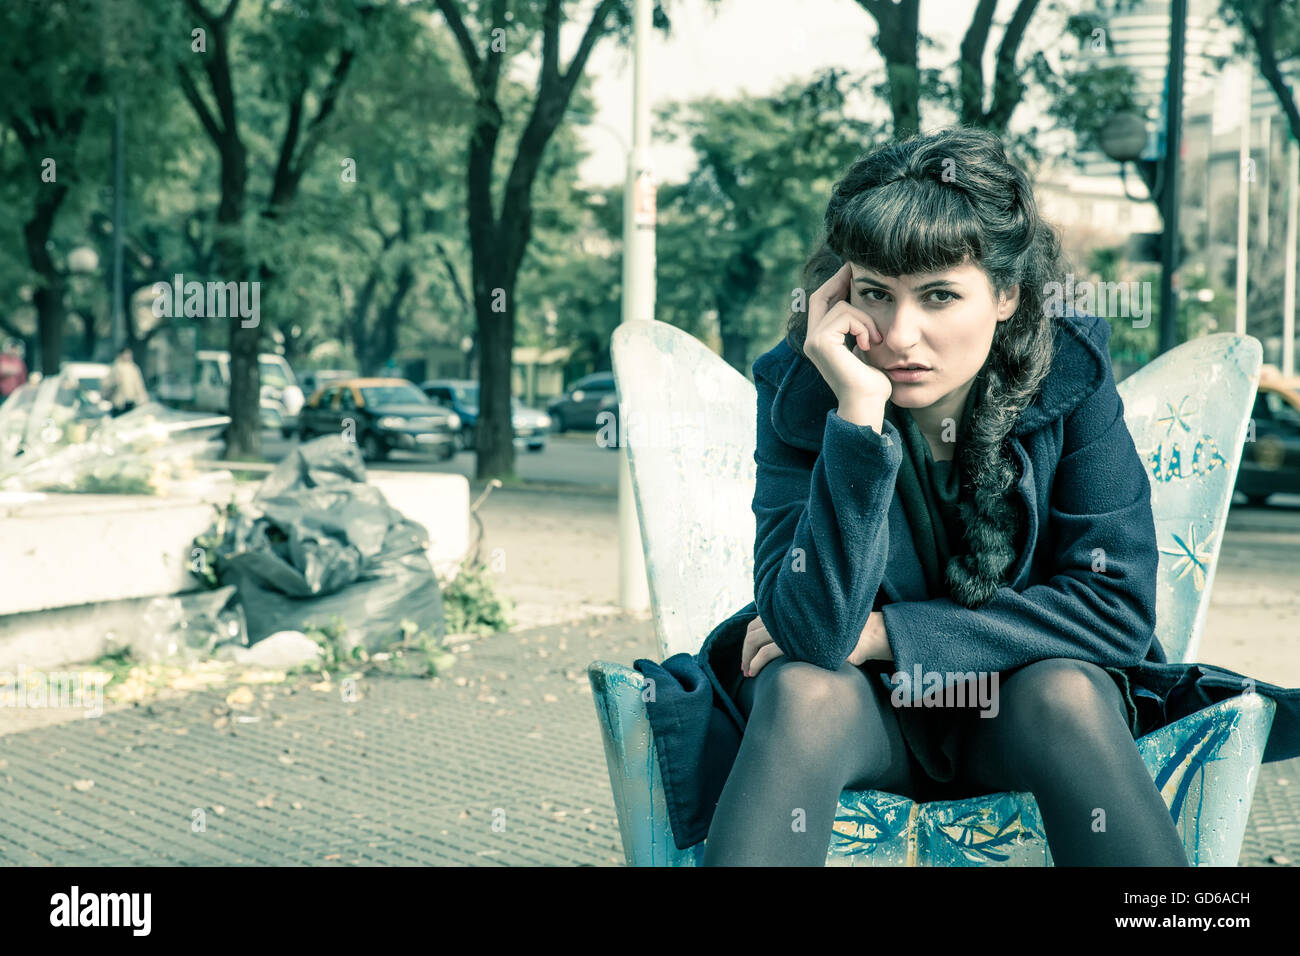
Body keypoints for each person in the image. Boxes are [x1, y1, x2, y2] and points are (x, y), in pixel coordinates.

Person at [656, 126, 1203, 867]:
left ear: (1007, 295)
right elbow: (815, 634)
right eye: (875, 294)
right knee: (800, 691)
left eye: (940, 296)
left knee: (1068, 693)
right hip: (869, 714)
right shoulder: (800, 390)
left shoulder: (1069, 377)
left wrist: (888, 634)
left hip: (1017, 705)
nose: (900, 335)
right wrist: (855, 416)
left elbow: (1117, 610)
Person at [105, 346, 148, 416]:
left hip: (131, 400)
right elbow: (107, 384)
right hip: (119, 402)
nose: (128, 356)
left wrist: (143, 397)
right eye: (126, 354)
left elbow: (139, 384)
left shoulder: (133, 368)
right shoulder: (115, 367)